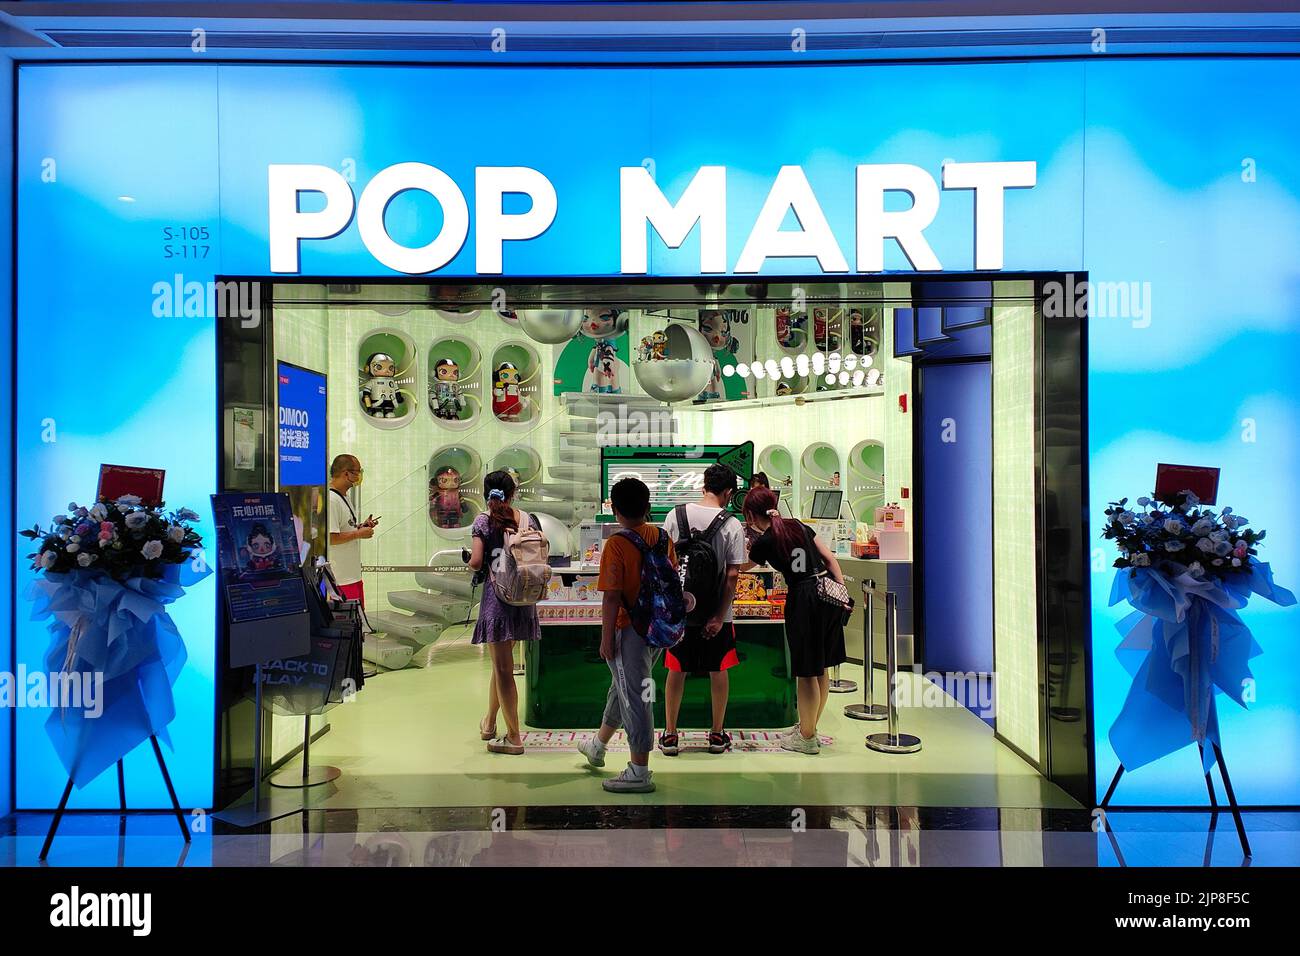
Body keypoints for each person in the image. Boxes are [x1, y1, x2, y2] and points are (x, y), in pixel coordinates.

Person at [577, 477, 677, 793]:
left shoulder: (617, 545)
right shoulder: (662, 538)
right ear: (647, 507)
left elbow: (611, 597)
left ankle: (639, 770)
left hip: (628, 630)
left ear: (615, 510)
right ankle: (598, 745)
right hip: (657, 629)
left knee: (636, 697)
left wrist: (606, 638)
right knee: (623, 687)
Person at [742, 486, 848, 754]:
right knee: (821, 665)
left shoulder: (765, 541)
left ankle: (807, 738)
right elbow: (829, 557)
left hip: (804, 598)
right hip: (827, 592)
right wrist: (841, 590)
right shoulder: (798, 525)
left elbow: (741, 568)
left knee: (806, 671)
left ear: (752, 516)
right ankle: (808, 727)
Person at [659, 463, 746, 755]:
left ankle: (670, 735)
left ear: (703, 486)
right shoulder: (731, 524)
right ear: (729, 493)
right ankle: (717, 735)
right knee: (718, 670)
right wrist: (719, 616)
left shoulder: (675, 515)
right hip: (715, 614)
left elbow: (664, 564)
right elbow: (732, 575)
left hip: (679, 613)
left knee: (676, 670)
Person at [466, 470, 542, 756]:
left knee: (502, 670)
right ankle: (489, 722)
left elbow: (475, 562)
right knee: (503, 666)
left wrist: (474, 561)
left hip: (497, 600)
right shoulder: (527, 518)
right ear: (513, 493)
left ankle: (514, 737)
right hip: (523, 598)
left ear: (486, 494)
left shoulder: (483, 521)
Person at [328, 454, 377, 607]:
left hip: (352, 574)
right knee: (347, 626)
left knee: (359, 624)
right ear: (346, 473)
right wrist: (358, 534)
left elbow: (344, 527)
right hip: (341, 578)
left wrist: (360, 527)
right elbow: (331, 538)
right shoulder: (331, 499)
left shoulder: (344, 497)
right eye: (357, 471)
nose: (359, 475)